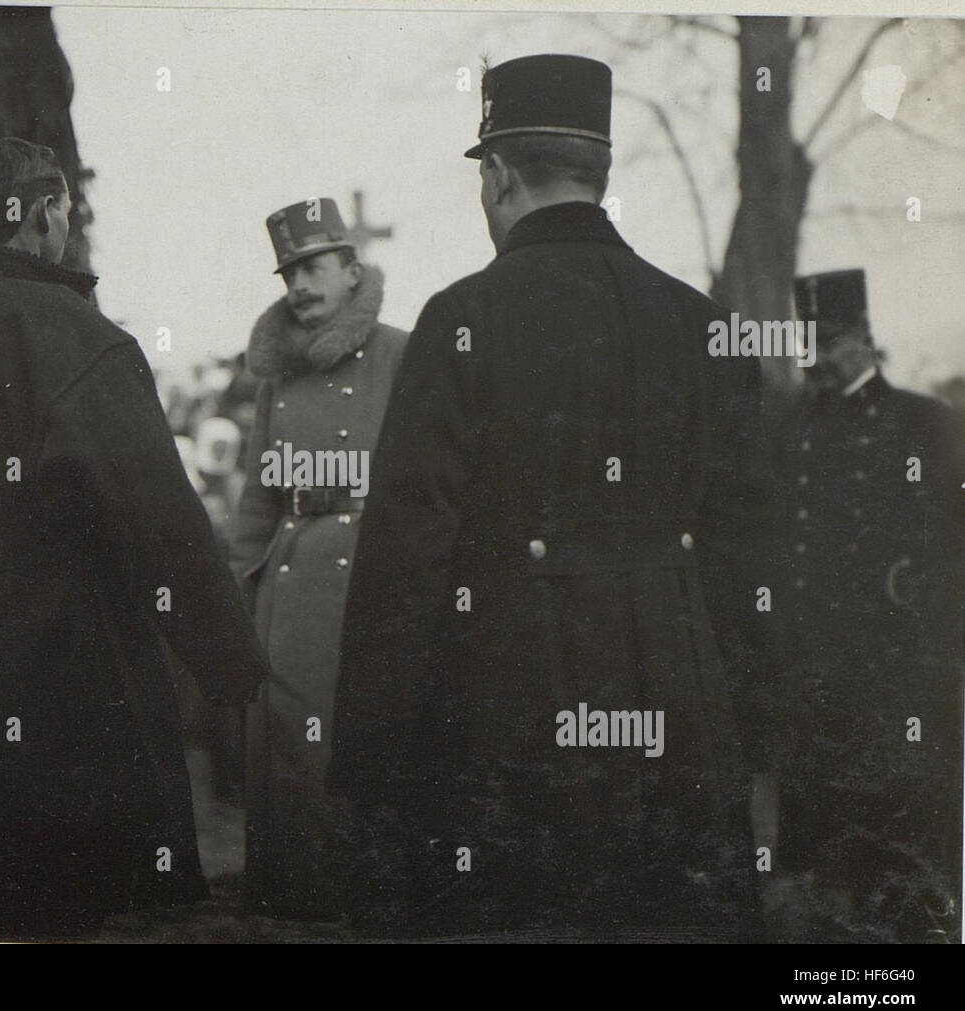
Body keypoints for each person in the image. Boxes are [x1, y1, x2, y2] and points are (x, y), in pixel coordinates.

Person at [327, 54, 777, 940]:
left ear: (497, 175)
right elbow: (748, 548)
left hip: (504, 711)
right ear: (598, 172)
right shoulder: (706, 325)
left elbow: (405, 558)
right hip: (680, 717)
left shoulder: (461, 318)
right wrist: (755, 731)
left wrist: (369, 757)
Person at [0, 137, 268, 939]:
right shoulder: (80, 338)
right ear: (40, 214)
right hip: (60, 704)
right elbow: (158, 519)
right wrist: (227, 657)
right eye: (63, 208)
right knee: (54, 911)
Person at [772, 268, 964, 942]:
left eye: (828, 342)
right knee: (825, 865)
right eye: (806, 344)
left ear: (863, 337)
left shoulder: (924, 423)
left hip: (899, 677)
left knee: (906, 860)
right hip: (817, 675)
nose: (815, 359)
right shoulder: (793, 427)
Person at [230, 198, 407, 919]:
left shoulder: (400, 353)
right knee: (282, 736)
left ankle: (359, 890)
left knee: (352, 736)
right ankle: (288, 892)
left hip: (370, 572)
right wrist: (242, 585)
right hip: (289, 572)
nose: (299, 285)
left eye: (313, 267)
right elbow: (256, 497)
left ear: (352, 269)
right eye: (289, 273)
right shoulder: (278, 377)